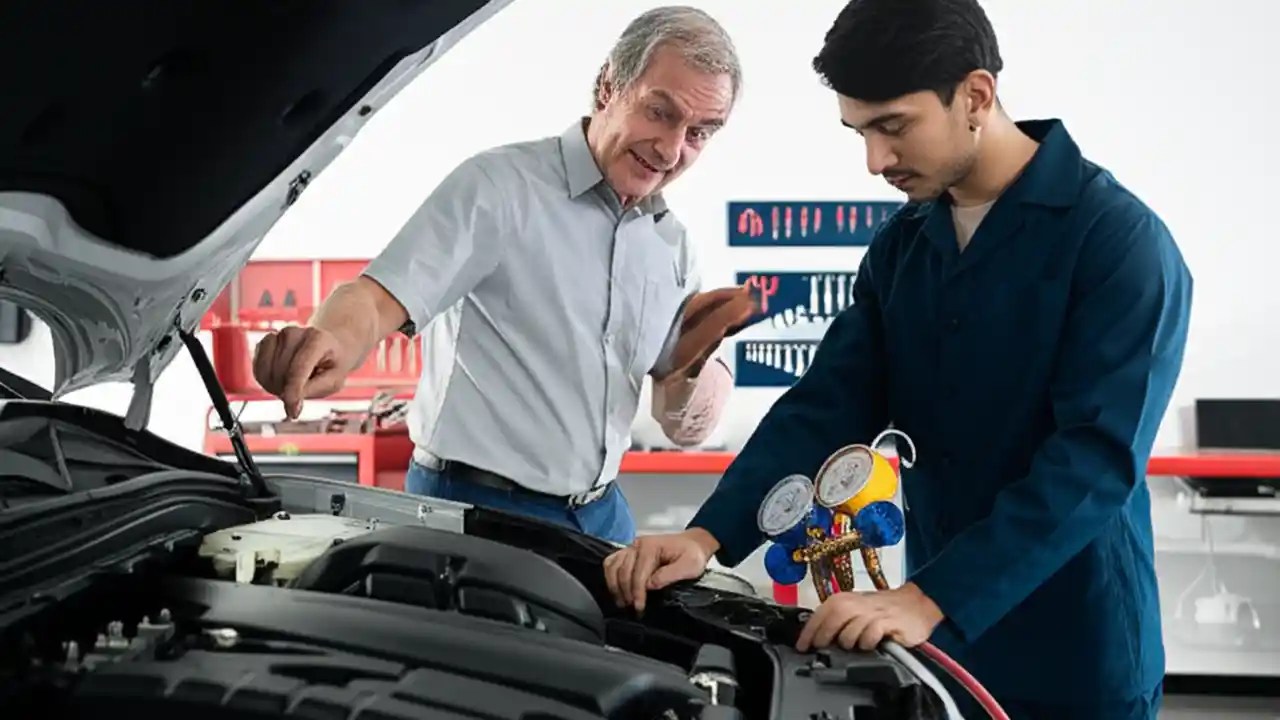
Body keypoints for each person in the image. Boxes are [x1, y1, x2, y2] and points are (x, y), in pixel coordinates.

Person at [603, 0, 1192, 717]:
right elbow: (829, 406)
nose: (875, 160)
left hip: (1076, 651)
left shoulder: (1120, 245)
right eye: (860, 131)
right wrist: (709, 535)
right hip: (937, 641)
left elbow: (1093, 463)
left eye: (893, 127)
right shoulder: (903, 247)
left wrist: (931, 597)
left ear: (975, 96)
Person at [251, 6, 754, 546]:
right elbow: (376, 300)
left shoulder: (672, 247)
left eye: (699, 133)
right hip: (475, 510)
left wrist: (693, 380)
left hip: (602, 516)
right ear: (609, 85)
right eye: (660, 112)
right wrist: (331, 340)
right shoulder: (499, 188)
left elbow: (674, 413)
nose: (673, 149)